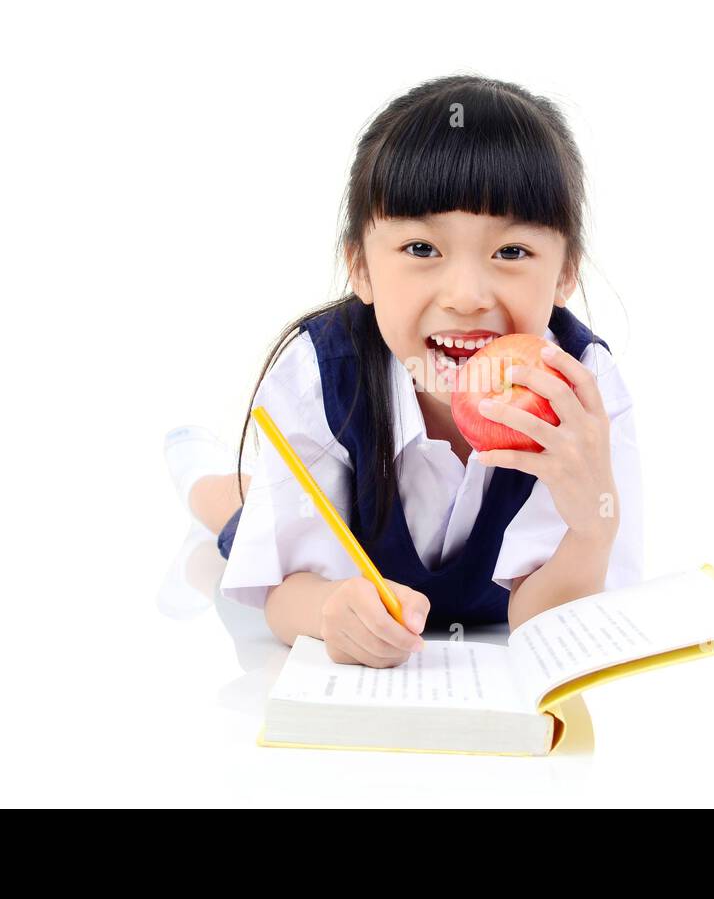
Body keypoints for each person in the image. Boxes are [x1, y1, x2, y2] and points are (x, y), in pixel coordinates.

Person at [163, 75, 643, 668]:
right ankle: (196, 469)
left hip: (492, 606)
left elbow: (544, 627)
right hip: (346, 563)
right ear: (360, 268)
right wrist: (331, 609)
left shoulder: (580, 389)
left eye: (512, 252)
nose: (466, 296)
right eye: (421, 249)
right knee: (232, 512)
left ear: (567, 271)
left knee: (251, 501)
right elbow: (284, 592)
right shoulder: (321, 375)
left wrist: (591, 526)